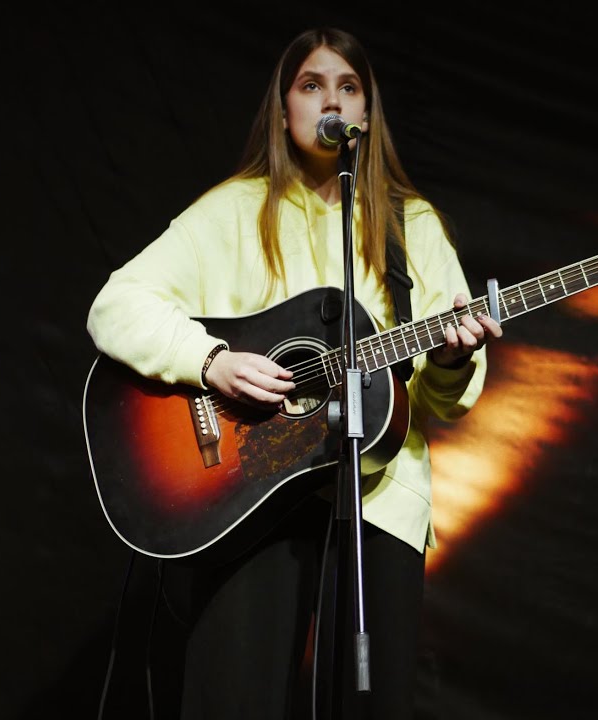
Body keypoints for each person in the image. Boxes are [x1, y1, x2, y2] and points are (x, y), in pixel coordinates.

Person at [86, 27, 500, 719]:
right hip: (246, 497)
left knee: (367, 703)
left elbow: (439, 399)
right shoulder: (234, 210)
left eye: (348, 87)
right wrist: (210, 362)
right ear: (284, 111)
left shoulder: (413, 226)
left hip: (379, 503)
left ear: (366, 113)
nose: (330, 101)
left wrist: (454, 360)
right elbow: (115, 305)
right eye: (312, 85)